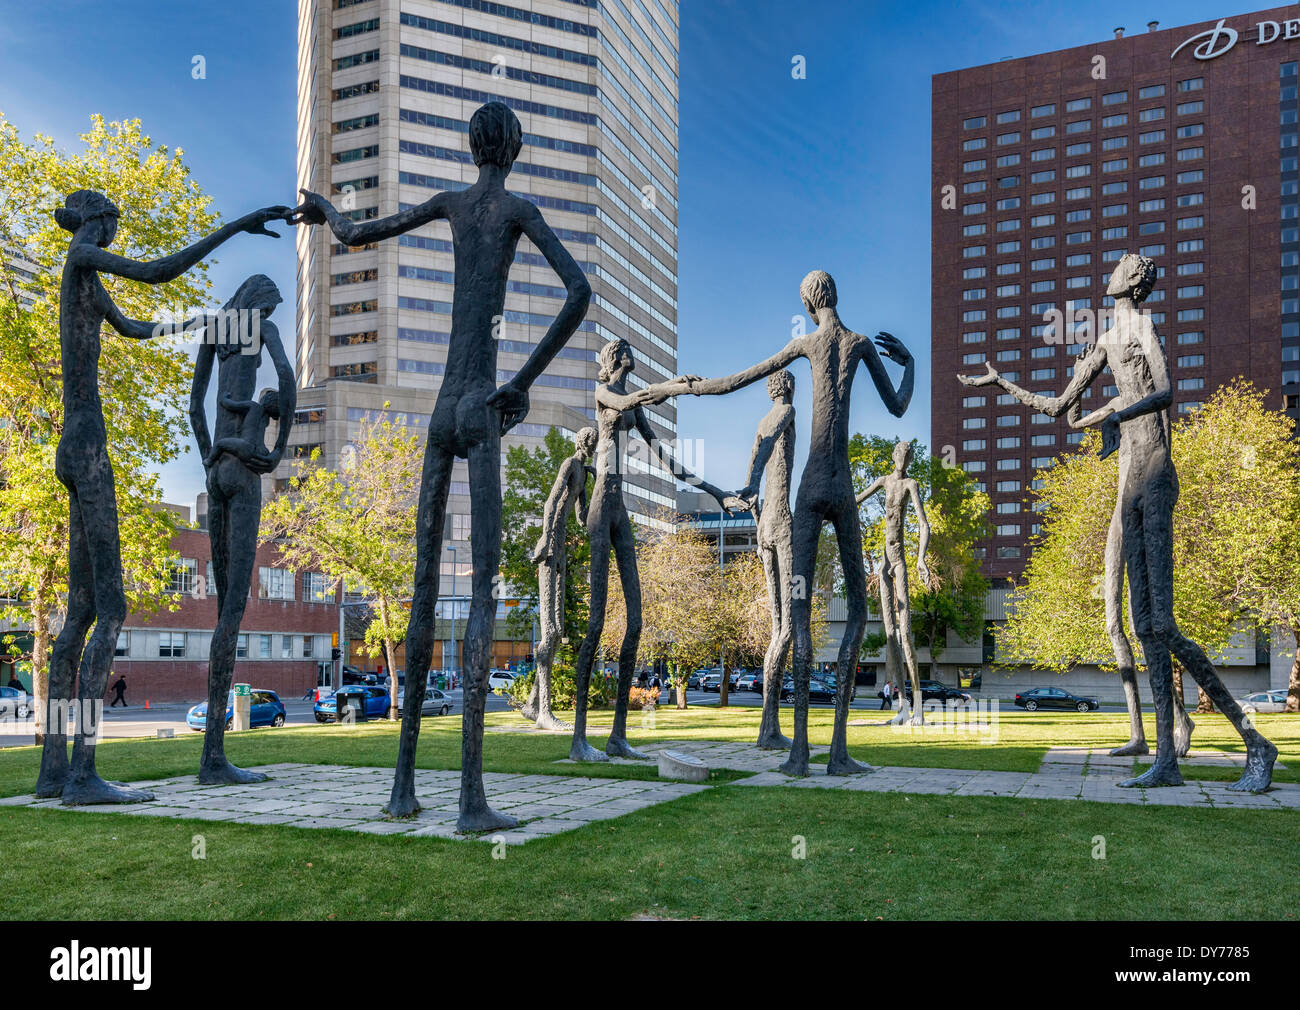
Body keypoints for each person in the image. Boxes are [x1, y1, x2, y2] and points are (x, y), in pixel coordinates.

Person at [294, 103, 591, 830]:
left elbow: (361, 233)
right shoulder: (516, 207)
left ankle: (402, 789)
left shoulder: (451, 203)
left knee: (423, 588)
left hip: (440, 409)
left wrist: (329, 213)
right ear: (515, 149)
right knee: (482, 587)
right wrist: (521, 382)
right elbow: (579, 293)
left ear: (470, 146)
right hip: (483, 409)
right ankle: (470, 800)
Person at [959, 253, 1276, 793]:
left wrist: (1119, 411)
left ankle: (1255, 742)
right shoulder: (1107, 338)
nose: (1112, 271)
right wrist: (1000, 382)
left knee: (1165, 624)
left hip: (1155, 475)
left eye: (1122, 266)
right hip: (1130, 484)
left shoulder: (1141, 327)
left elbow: (1168, 391)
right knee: (1144, 622)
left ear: (1131, 280)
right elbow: (1059, 407)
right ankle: (1166, 762)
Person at [37, 188, 291, 805]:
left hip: (71, 445)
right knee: (113, 608)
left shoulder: (85, 284)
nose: (115, 237)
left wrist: (198, 325)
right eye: (115, 225)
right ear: (102, 220)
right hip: (88, 442)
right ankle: (83, 774)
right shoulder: (83, 259)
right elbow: (157, 273)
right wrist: (240, 222)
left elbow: (139, 327)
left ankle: (51, 771)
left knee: (76, 617)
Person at [664, 270, 914, 777]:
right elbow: (898, 405)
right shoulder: (861, 344)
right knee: (860, 612)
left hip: (809, 491)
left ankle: (800, 752)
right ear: (836, 295)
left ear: (807, 301)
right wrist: (909, 363)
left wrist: (688, 387)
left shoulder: (804, 343)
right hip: (841, 490)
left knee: (796, 615)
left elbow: (737, 380)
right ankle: (837, 751)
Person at [568, 338, 733, 762]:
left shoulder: (635, 406)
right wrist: (676, 386)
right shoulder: (604, 394)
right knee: (596, 621)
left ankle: (617, 736)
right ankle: (579, 739)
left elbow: (665, 458)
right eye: (624, 349)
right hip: (600, 508)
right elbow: (634, 398)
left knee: (637, 621)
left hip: (620, 509)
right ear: (615, 358)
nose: (631, 353)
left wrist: (716, 493)